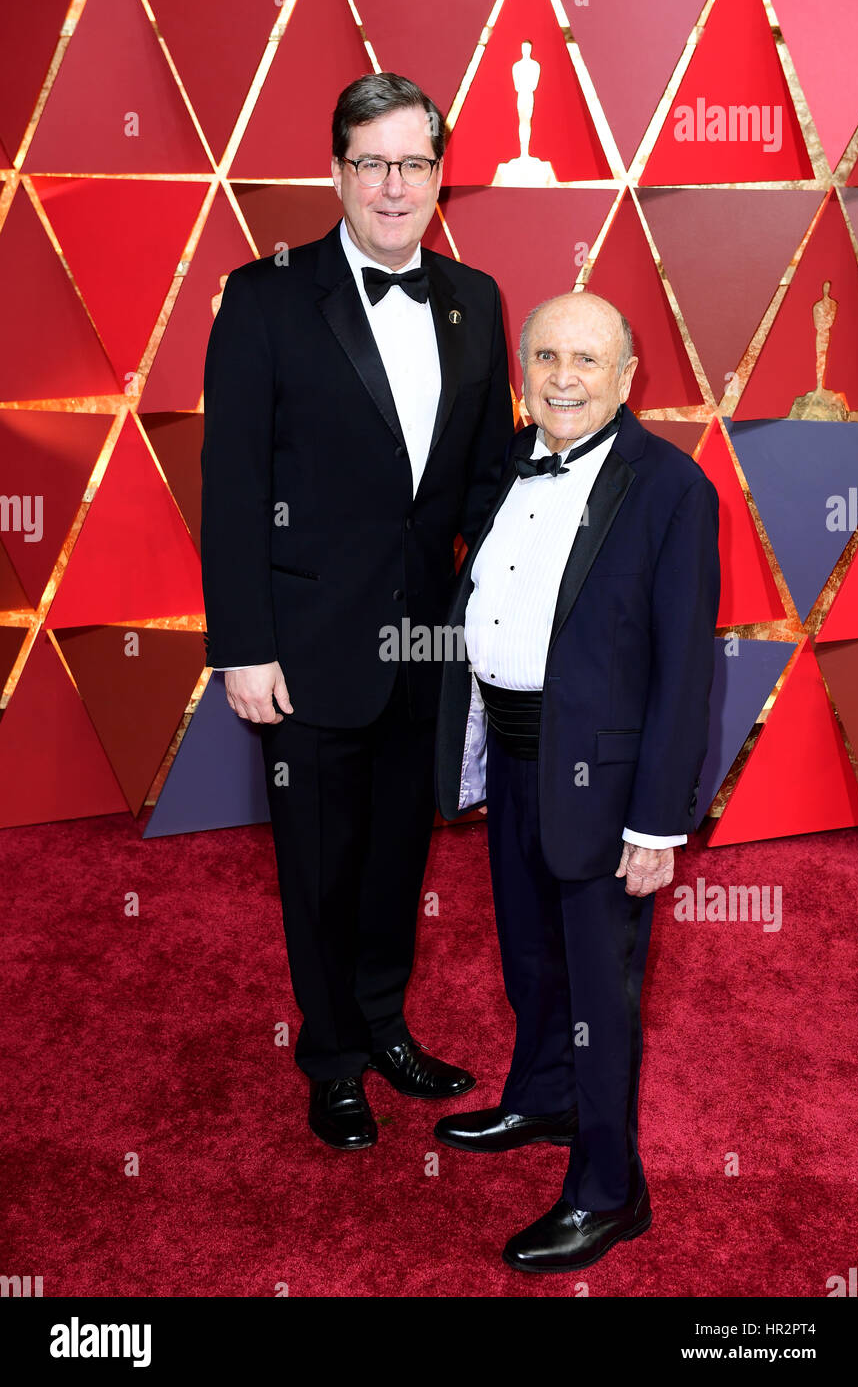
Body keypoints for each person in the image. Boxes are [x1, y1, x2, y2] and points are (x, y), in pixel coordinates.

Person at [200, 73, 514, 1152]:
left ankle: (382, 1022)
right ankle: (330, 1056)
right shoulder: (263, 297)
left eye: (413, 164)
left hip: (426, 644)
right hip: (304, 648)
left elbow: (481, 486)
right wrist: (242, 647)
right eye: (371, 163)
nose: (392, 186)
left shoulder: (477, 300)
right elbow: (233, 488)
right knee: (318, 865)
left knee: (395, 859)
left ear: (438, 175)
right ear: (335, 172)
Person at [434, 291, 720, 1272]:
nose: (562, 376)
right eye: (545, 355)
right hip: (514, 760)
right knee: (528, 957)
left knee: (600, 987)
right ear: (523, 368)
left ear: (626, 376)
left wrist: (655, 823)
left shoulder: (670, 489)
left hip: (605, 781)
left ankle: (608, 1190)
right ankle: (544, 1095)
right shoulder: (514, 461)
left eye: (585, 360)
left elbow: (687, 668)